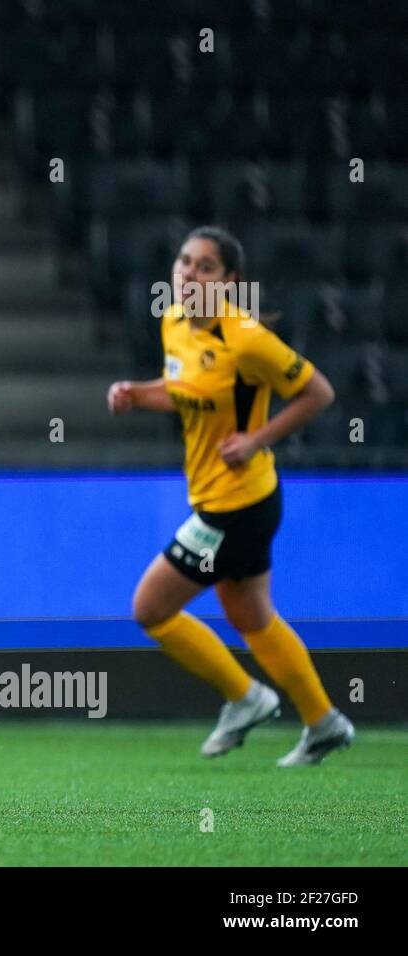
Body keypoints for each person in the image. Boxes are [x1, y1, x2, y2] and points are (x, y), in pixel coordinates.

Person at [107, 225, 354, 766]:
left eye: (205, 266)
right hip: (231, 499)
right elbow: (184, 390)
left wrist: (257, 439)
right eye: (184, 261)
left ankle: (246, 698)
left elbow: (319, 392)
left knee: (150, 607)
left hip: (236, 505)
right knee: (251, 617)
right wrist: (136, 394)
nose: (189, 273)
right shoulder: (174, 321)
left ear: (229, 282)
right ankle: (324, 721)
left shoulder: (245, 338)